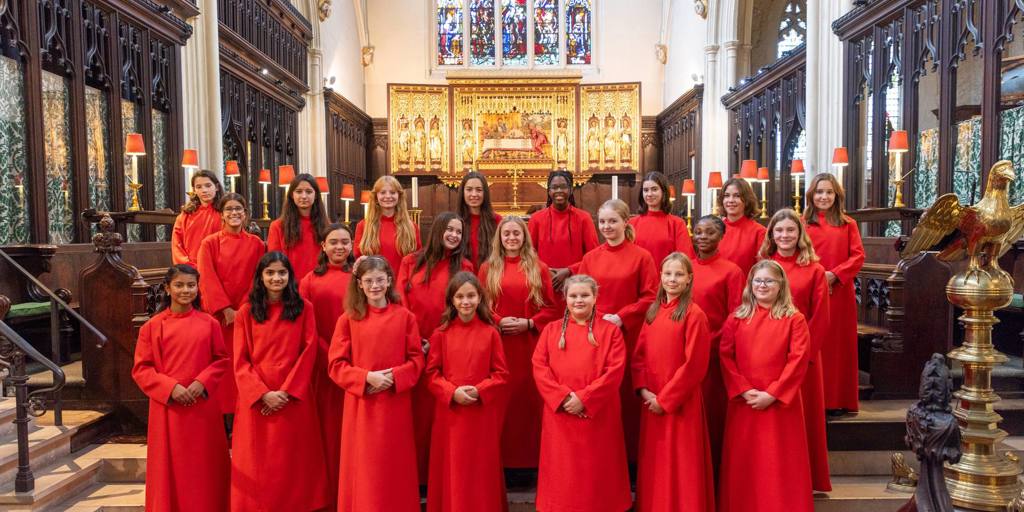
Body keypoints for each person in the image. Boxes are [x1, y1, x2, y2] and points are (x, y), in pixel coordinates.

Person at [230, 252, 328, 511]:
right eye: (270, 273)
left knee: (294, 460)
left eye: (282, 273)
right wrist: (262, 393)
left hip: (294, 396)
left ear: (290, 276)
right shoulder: (246, 312)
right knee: (258, 462)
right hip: (258, 399)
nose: (276, 278)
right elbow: (240, 361)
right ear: (260, 277)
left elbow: (309, 352)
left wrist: (286, 391)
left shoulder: (304, 308)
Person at [132, 265, 230, 512]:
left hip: (203, 408)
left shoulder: (209, 323)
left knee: (205, 466)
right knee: (170, 467)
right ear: (167, 288)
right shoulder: (152, 327)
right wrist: (171, 388)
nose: (185, 290)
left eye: (191, 285)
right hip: (169, 409)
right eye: (179, 285)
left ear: (198, 288)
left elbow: (221, 360)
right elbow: (142, 369)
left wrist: (201, 382)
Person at [329, 256, 424, 512]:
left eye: (380, 280)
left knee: (393, 465)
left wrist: (394, 377)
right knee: (364, 468)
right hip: (362, 405)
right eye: (368, 281)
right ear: (359, 284)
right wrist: (366, 378)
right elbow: (336, 364)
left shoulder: (405, 317)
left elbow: (416, 359)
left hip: (394, 403)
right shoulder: (348, 319)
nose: (374, 286)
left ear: (389, 281)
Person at [718, 260, 813, 512]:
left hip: (780, 405)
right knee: (745, 462)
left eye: (769, 281)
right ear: (750, 284)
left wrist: (772, 393)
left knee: (777, 463)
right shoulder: (736, 318)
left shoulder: (794, 319)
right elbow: (726, 356)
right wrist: (743, 389)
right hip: (745, 402)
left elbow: (798, 359)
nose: (762, 285)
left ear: (781, 284)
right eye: (758, 280)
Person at [532, 275, 631, 512]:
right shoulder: (551, 331)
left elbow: (614, 371)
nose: (579, 300)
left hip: (598, 416)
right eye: (573, 295)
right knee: (563, 473)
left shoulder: (610, 332)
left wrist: (584, 399)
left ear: (595, 297)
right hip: (561, 415)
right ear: (565, 298)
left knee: (596, 473)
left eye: (585, 295)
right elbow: (539, 367)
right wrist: (563, 398)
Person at [577, 198, 659, 460]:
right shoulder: (590, 258)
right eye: (602, 222)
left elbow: (650, 296)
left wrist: (622, 317)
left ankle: (632, 457)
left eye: (613, 221)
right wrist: (598, 319)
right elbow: (580, 295)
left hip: (629, 334)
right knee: (601, 393)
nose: (607, 226)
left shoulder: (642, 257)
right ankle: (604, 456)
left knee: (627, 396)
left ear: (626, 222)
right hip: (596, 334)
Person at [632, 252, 715, 512]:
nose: (672, 279)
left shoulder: (694, 314)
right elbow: (639, 357)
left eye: (679, 274)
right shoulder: (653, 311)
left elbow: (694, 365)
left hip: (680, 404)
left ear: (689, 279)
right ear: (660, 277)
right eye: (668, 274)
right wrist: (646, 393)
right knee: (656, 462)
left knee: (682, 463)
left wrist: (665, 400)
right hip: (652, 403)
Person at [397, 211, 474, 484]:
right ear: (438, 229)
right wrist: (416, 339)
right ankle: (414, 478)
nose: (454, 235)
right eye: (449, 230)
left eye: (459, 232)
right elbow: (400, 301)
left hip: (446, 346)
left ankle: (438, 477)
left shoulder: (464, 266)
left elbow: (464, 306)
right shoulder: (411, 262)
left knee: (440, 415)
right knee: (416, 416)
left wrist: (439, 341)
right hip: (415, 345)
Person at [478, 216, 559, 474]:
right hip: (499, 345)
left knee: (528, 403)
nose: (512, 238)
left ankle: (531, 463)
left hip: (529, 344)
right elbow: (478, 304)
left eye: (516, 233)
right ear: (499, 238)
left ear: (525, 236)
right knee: (502, 402)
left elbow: (552, 307)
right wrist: (499, 320)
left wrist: (529, 323)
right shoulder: (487, 268)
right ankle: (502, 464)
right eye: (507, 234)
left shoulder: (539, 267)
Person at [760, 208, 832, 492]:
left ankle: (805, 478)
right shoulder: (764, 266)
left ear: (800, 235)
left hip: (803, 358)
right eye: (779, 231)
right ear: (771, 235)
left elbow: (821, 317)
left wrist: (804, 357)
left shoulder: (814, 270)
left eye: (790, 230)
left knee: (803, 420)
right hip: (768, 356)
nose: (784, 235)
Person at [425, 272, 510, 512]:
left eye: (471, 296)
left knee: (480, 469)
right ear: (451, 300)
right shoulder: (440, 334)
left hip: (480, 415)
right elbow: (431, 374)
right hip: (450, 415)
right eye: (460, 296)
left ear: (479, 298)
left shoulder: (490, 333)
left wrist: (479, 390)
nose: (465, 301)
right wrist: (452, 392)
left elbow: (501, 373)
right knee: (454, 470)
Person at [298, 223, 355, 508]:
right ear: (323, 246)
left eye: (345, 242)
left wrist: (349, 361)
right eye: (333, 242)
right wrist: (330, 357)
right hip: (322, 366)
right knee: (325, 434)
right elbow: (305, 328)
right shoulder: (309, 281)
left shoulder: (360, 278)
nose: (339, 247)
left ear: (352, 245)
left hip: (354, 366)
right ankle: (326, 494)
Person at [196, 193, 265, 415]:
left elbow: (258, 278)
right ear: (222, 214)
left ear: (245, 213)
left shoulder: (256, 244)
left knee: (245, 362)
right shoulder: (210, 243)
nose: (234, 213)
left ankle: (244, 410)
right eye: (229, 209)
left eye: (239, 209)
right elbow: (207, 277)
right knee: (222, 367)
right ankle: (222, 416)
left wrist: (242, 309)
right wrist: (225, 309)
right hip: (220, 318)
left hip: (247, 314)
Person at [804, 173, 865, 414]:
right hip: (810, 290)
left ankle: (837, 399)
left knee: (838, 346)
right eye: (819, 192)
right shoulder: (803, 223)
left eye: (829, 192)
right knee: (814, 343)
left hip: (839, 292)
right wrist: (817, 276)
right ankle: (814, 398)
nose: (824, 197)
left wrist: (834, 275)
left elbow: (858, 256)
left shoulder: (847, 223)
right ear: (812, 195)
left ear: (836, 196)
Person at [690, 214, 745, 474]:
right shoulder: (687, 268)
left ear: (721, 237)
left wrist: (709, 342)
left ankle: (715, 466)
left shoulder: (731, 271)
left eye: (709, 233)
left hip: (714, 353)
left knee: (712, 412)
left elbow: (736, 315)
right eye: (698, 232)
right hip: (685, 352)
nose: (702, 237)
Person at [527, 170, 599, 292]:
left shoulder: (584, 218)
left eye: (563, 187)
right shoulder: (536, 219)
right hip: (544, 284)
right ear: (549, 191)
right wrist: (546, 271)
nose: (559, 191)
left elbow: (593, 256)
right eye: (554, 187)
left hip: (576, 285)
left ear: (570, 190)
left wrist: (569, 271)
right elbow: (528, 255)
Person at [267, 173, 330, 280]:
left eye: (309, 192)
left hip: (319, 283)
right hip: (290, 287)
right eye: (299, 191)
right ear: (292, 195)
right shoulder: (277, 226)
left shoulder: (327, 226)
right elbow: (275, 263)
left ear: (316, 196)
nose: (304, 196)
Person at [354, 175, 421, 273]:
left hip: (402, 282)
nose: (388, 196)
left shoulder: (411, 227)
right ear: (376, 197)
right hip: (375, 284)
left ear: (399, 196)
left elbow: (417, 258)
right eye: (383, 192)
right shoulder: (363, 226)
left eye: (393, 192)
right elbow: (358, 257)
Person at [629, 171, 695, 265]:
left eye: (654, 189)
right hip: (639, 278)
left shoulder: (677, 223)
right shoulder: (632, 223)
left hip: (668, 277)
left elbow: (685, 259)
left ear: (663, 191)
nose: (649, 194)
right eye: (646, 190)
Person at [172, 170, 224, 267]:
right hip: (190, 269)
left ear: (216, 187)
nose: (204, 190)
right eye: (199, 187)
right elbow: (177, 244)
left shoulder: (224, 213)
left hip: (217, 267)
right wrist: (188, 266)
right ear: (194, 190)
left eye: (208, 185)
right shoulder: (186, 214)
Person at [717, 177, 766, 275]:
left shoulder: (759, 232)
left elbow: (762, 269)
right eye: (726, 196)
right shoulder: (715, 229)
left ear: (747, 200)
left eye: (737, 196)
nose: (730, 200)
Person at [458, 171, 502, 270]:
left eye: (479, 190)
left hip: (490, 277)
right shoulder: (455, 221)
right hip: (463, 280)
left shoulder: (497, 220)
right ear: (463, 192)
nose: (474, 194)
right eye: (469, 189)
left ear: (485, 193)